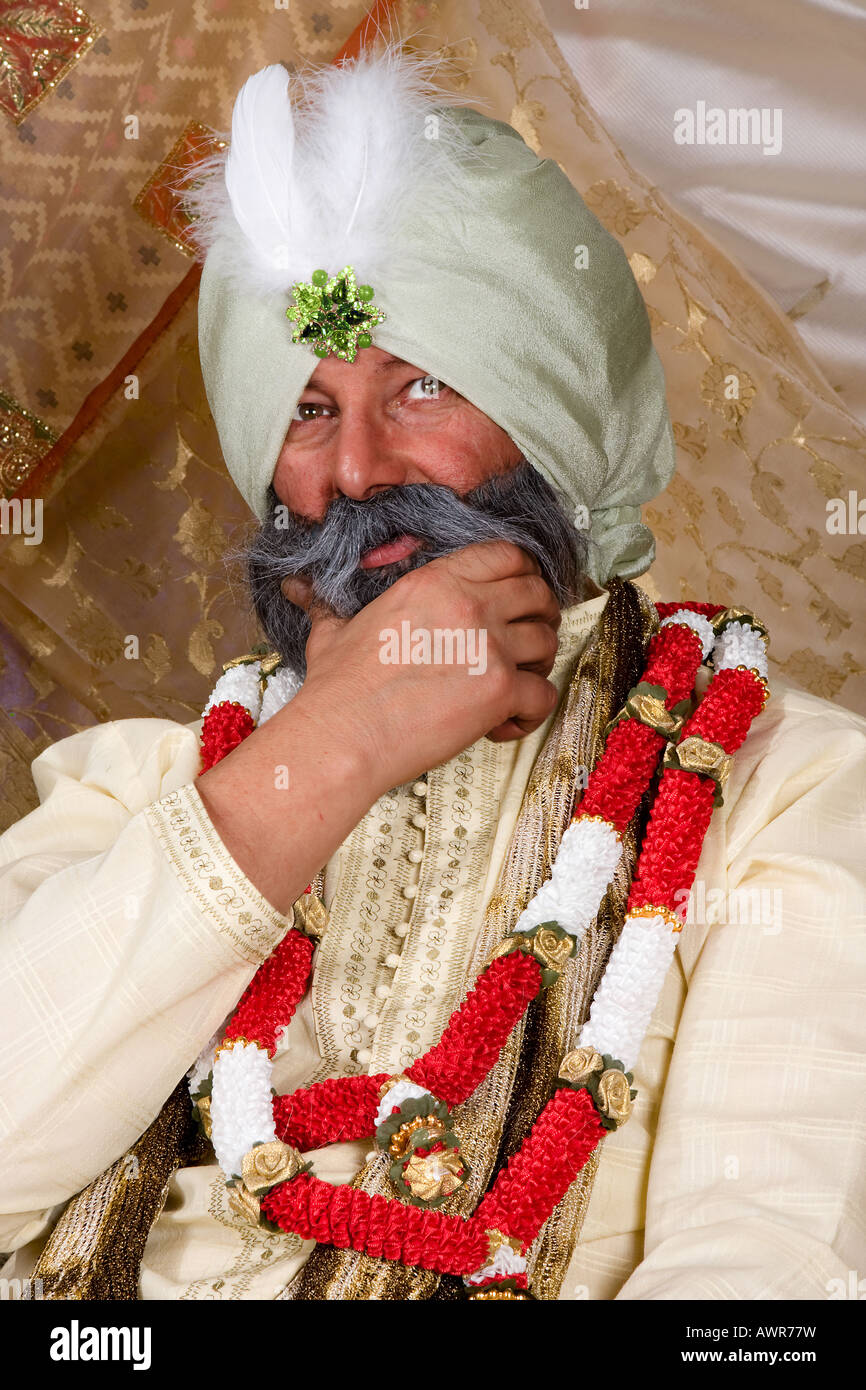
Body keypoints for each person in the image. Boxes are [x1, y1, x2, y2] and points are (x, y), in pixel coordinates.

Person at [0, 46, 863, 1302]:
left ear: (554, 417)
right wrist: (333, 743)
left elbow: (757, 1282)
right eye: (306, 408)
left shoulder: (781, 784)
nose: (355, 471)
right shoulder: (139, 786)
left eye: (423, 384)